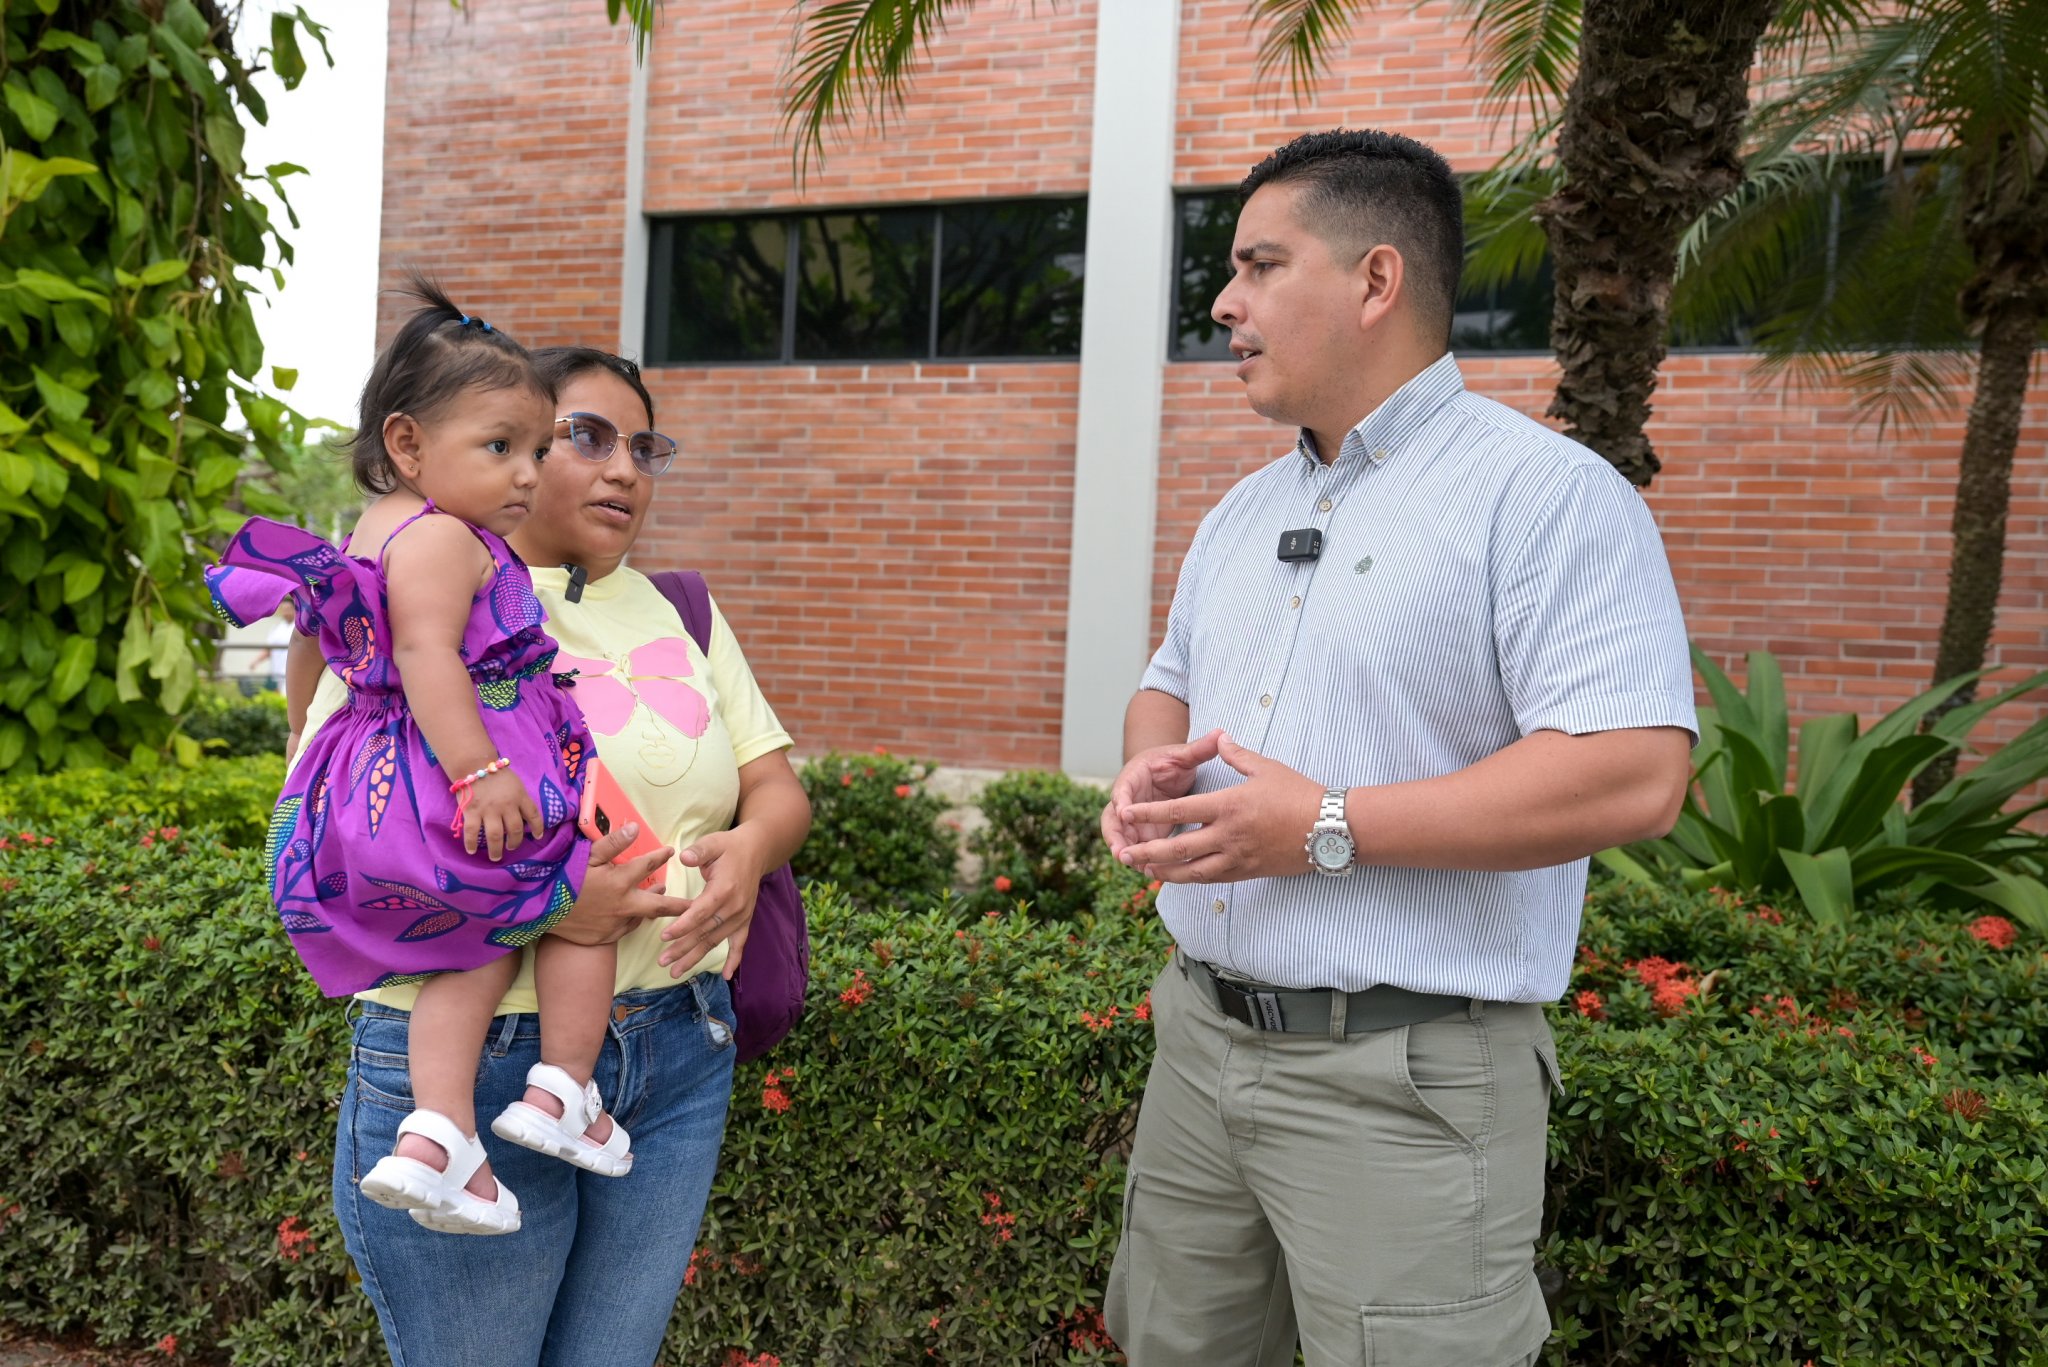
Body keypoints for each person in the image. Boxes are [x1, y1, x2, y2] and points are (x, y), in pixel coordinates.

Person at [1097, 129, 1697, 1367]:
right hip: (1199, 1048)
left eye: (1260, 265)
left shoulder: (1546, 496)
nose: (1223, 302)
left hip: (1405, 1077)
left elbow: (1635, 770)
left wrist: (1327, 825)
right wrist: (1142, 770)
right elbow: (1164, 689)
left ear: (1374, 282)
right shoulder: (1241, 507)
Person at [304, 342, 809, 1364]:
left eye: (643, 446)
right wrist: (548, 901)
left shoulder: (675, 606)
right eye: (581, 436)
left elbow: (776, 785)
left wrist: (751, 849)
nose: (623, 468)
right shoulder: (428, 599)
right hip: (481, 1062)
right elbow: (356, 838)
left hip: (672, 1052)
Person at [210, 283, 626, 1237]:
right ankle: (564, 1086)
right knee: (570, 895)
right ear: (407, 443)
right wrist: (481, 771)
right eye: (501, 447)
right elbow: (425, 654)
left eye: (536, 449)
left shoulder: (378, 529)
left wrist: (298, 738)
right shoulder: (445, 536)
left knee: (470, 948)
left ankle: (439, 1140)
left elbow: (313, 639)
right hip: (455, 772)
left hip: (387, 770)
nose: (528, 474)